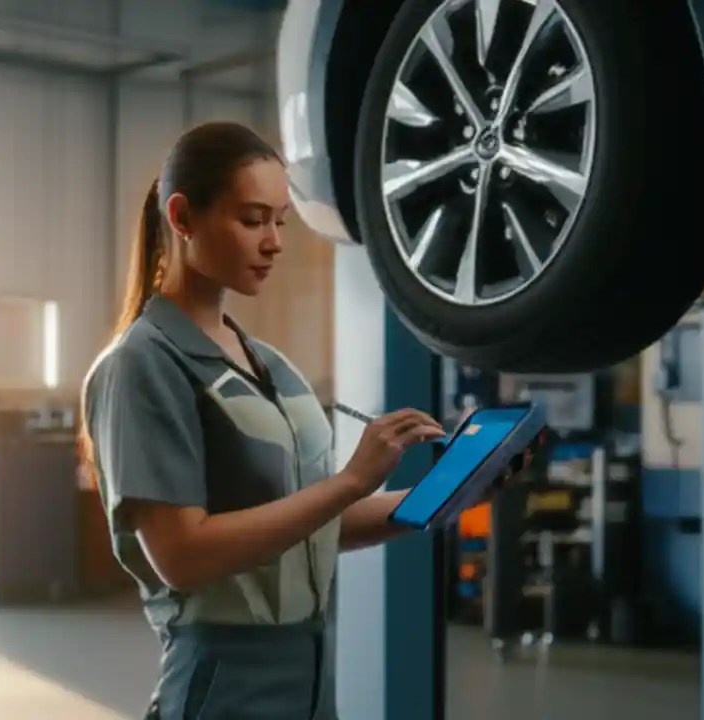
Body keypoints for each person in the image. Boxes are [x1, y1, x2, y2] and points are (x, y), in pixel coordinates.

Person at [78, 121, 523, 719]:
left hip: (311, 674)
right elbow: (181, 556)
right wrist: (348, 482)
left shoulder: (272, 365)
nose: (274, 242)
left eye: (281, 221)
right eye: (252, 219)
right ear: (183, 218)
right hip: (225, 680)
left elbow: (309, 527)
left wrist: (442, 496)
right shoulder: (142, 365)